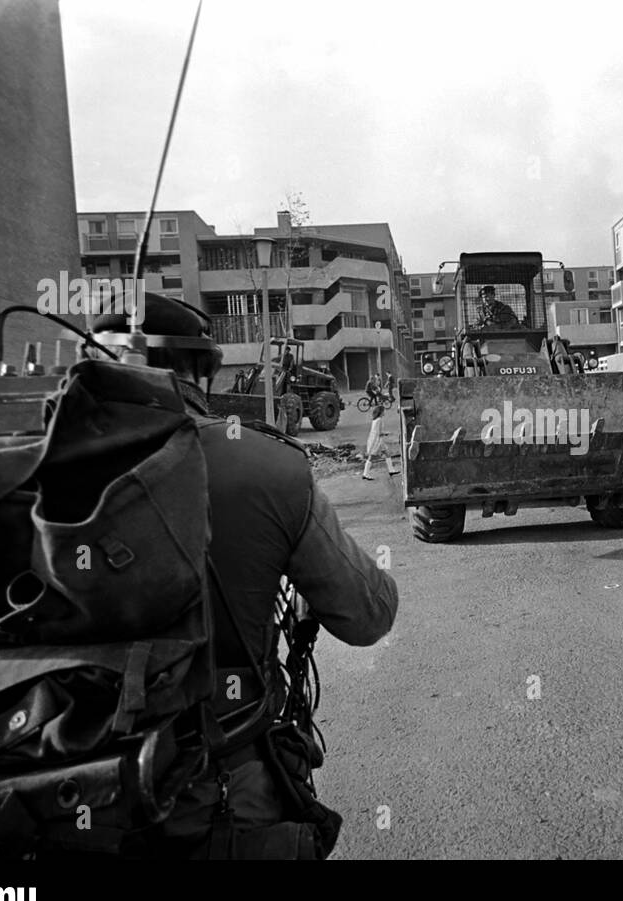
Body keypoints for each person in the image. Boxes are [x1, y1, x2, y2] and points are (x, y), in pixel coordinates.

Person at [95, 294, 398, 859]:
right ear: (200, 370)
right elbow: (369, 614)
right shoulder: (265, 466)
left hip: (40, 790)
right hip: (214, 791)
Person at [363, 398, 389, 480]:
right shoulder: (379, 420)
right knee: (372, 457)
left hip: (376, 440)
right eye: (384, 411)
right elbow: (378, 433)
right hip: (377, 441)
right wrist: (386, 433)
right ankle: (365, 474)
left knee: (387, 453)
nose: (385, 412)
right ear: (381, 412)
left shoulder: (375, 420)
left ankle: (391, 470)